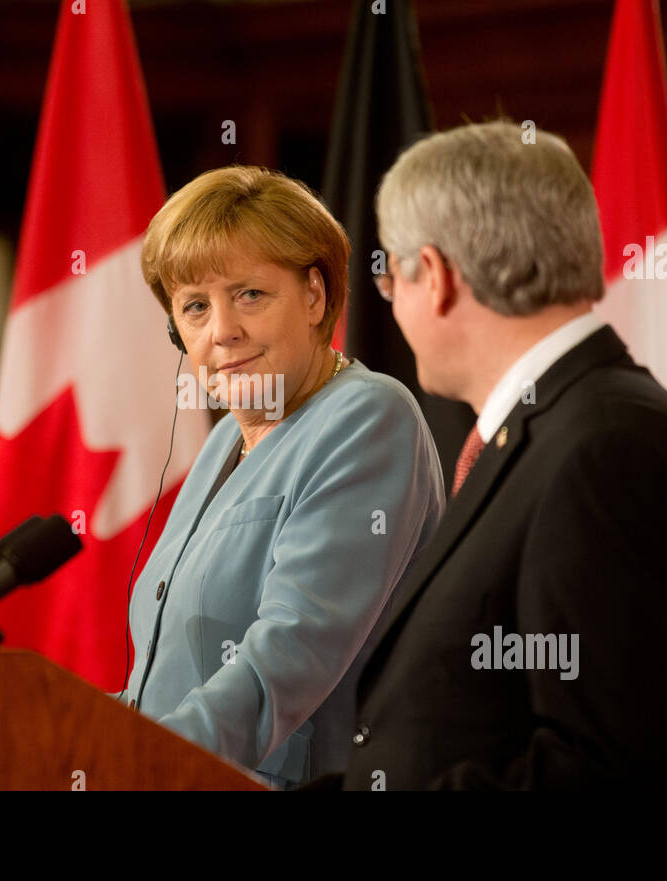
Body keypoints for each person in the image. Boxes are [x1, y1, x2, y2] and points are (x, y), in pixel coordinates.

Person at [333, 120, 667, 790]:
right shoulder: (564, 427)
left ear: (435, 277)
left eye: (391, 283)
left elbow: (600, 775)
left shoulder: (607, 451)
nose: (393, 307)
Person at [118, 165, 445, 789]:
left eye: (249, 295)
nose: (222, 332)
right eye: (194, 307)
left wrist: (133, 759)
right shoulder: (222, 442)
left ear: (316, 296)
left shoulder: (369, 417)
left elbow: (290, 655)